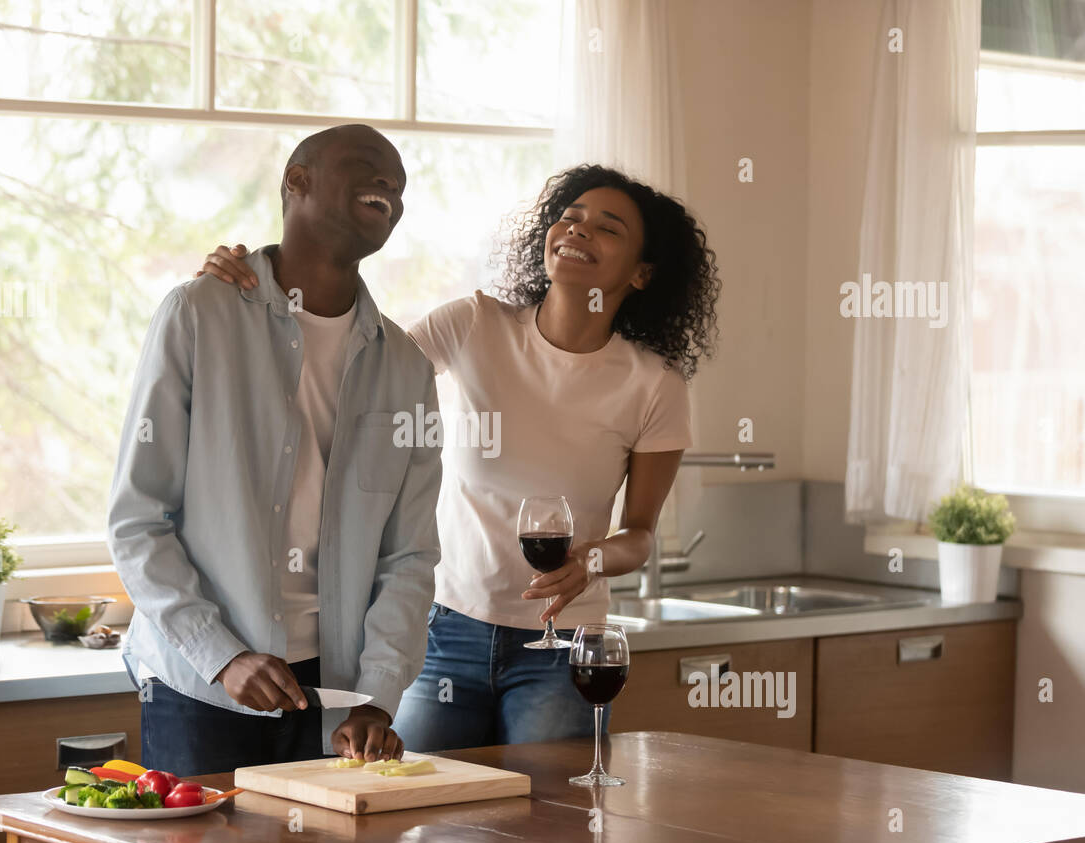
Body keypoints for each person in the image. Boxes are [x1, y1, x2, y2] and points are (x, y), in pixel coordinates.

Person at [196, 163, 718, 751]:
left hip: (561, 643)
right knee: (422, 816)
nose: (577, 230)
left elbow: (641, 534)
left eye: (608, 228)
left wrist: (593, 560)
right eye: (569, 218)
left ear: (643, 273)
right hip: (446, 630)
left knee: (549, 825)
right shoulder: (474, 324)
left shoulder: (654, 385)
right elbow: (354, 362)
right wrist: (253, 288)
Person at [108, 124, 442, 775]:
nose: (388, 188)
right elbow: (137, 519)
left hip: (335, 700)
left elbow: (409, 554)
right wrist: (223, 655)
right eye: (368, 167)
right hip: (199, 689)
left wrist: (375, 697)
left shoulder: (406, 366)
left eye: (398, 185)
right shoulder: (198, 315)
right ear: (297, 181)